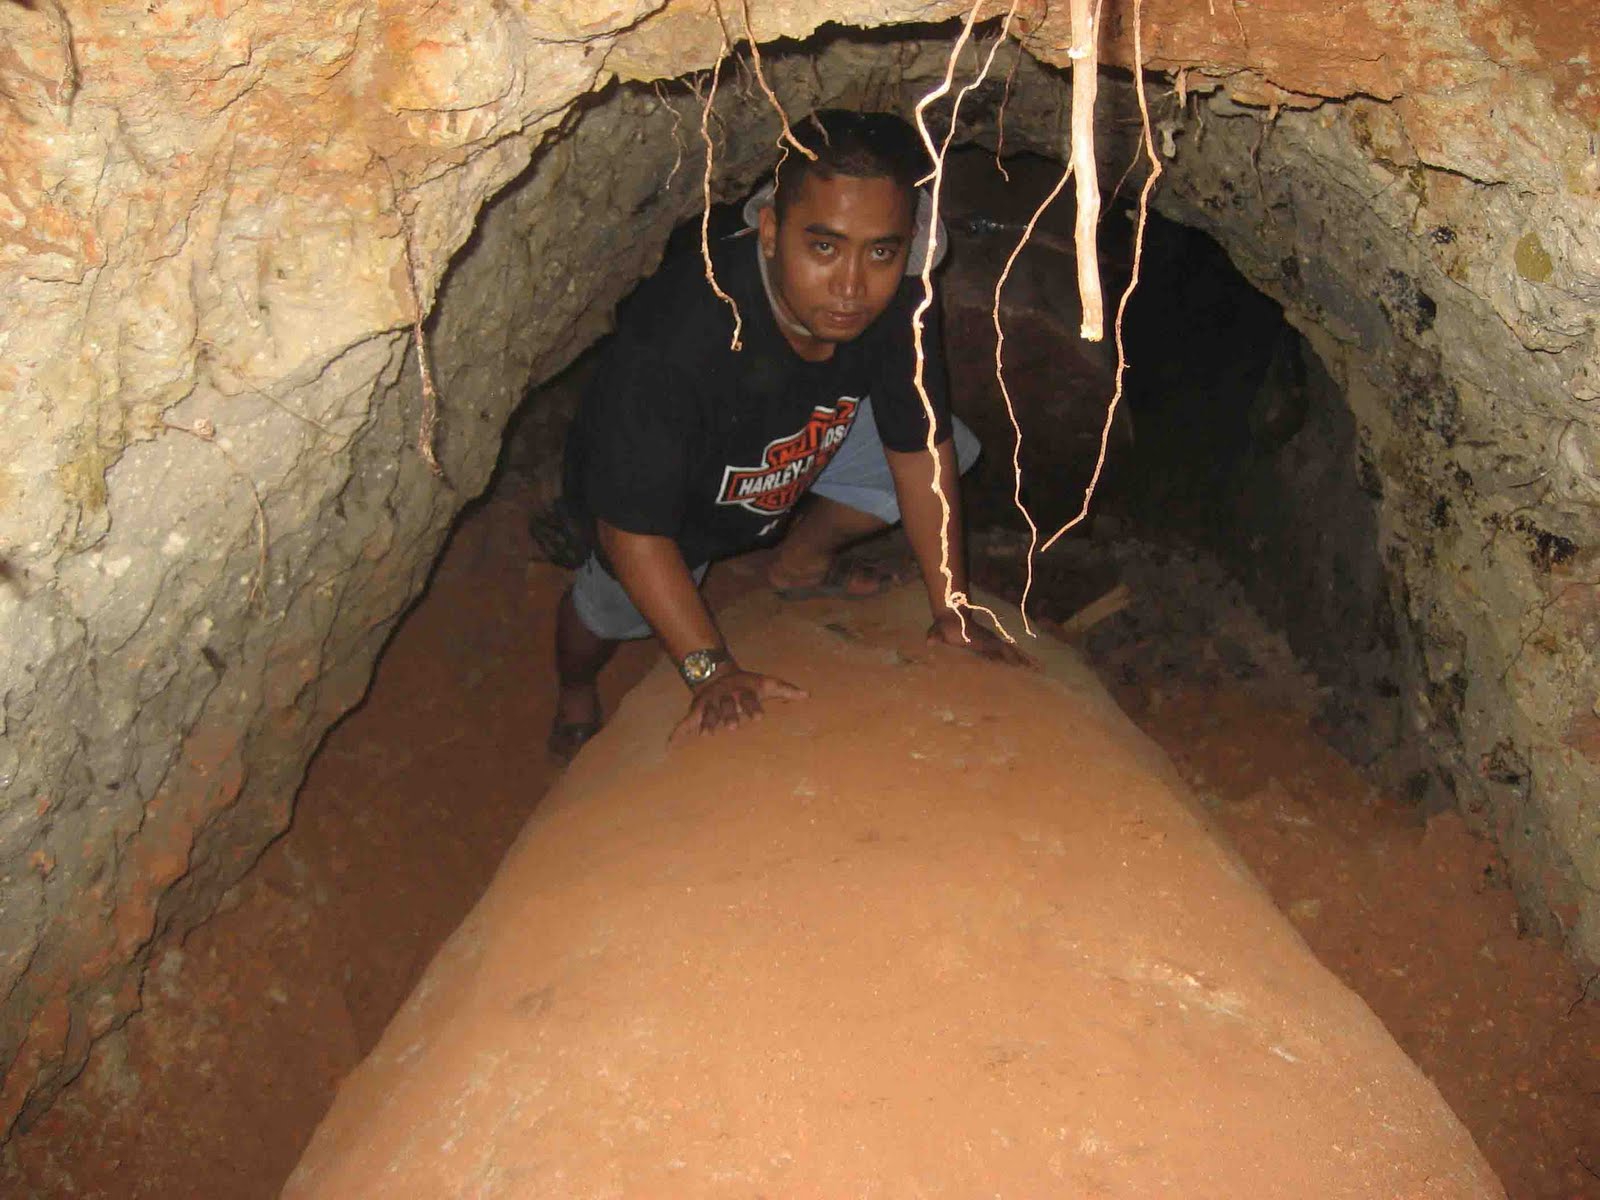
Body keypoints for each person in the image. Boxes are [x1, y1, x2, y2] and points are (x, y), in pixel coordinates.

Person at [550, 109, 1030, 759]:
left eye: (882, 251)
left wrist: (951, 609)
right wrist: (710, 671)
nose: (852, 287)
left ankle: (798, 562)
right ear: (772, 231)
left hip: (788, 437)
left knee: (953, 448)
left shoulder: (898, 303)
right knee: (606, 612)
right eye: (824, 247)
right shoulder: (678, 337)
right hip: (668, 488)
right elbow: (632, 533)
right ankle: (574, 689)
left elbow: (920, 454)